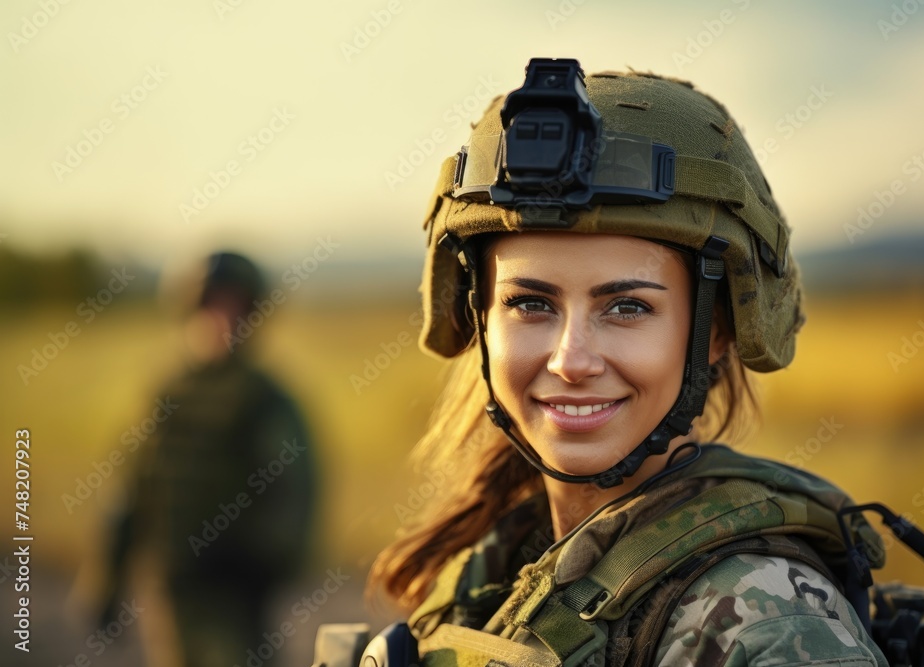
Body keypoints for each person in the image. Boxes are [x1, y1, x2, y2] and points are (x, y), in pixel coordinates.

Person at [361, 59, 896, 667]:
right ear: (481, 319)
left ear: (715, 331)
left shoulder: (763, 626)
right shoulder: (493, 571)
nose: (571, 361)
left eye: (626, 307)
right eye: (530, 303)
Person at [99, 251, 317, 667]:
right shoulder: (168, 394)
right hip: (171, 586)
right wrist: (108, 577)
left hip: (234, 593)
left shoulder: (263, 399)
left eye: (237, 307)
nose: (225, 320)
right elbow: (133, 485)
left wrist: (264, 560)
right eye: (214, 306)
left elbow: (296, 489)